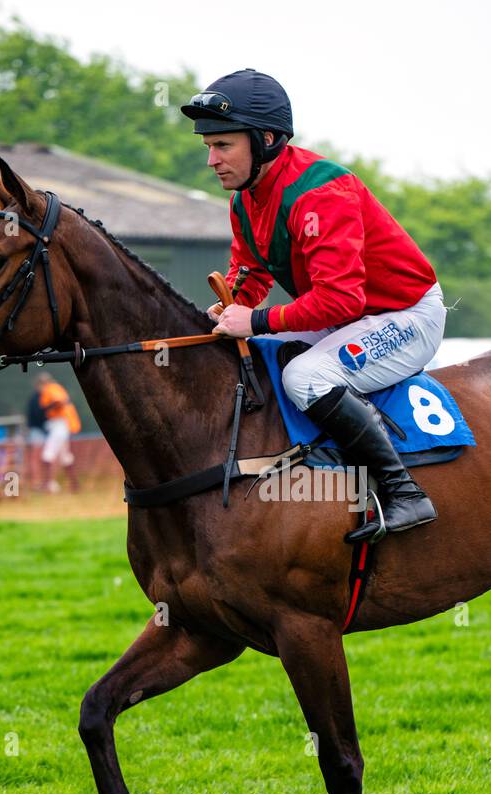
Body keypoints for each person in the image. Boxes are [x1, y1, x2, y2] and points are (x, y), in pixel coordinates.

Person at [184, 69, 443, 543]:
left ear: (265, 140)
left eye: (222, 145)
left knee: (305, 376)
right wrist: (231, 307)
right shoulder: (245, 199)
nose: (210, 160)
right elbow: (250, 272)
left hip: (406, 315)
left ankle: (404, 492)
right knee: (254, 351)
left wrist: (256, 319)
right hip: (350, 318)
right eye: (208, 146)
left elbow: (343, 299)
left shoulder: (322, 193)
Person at [34, 372, 81, 494]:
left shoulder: (51, 388)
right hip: (61, 425)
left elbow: (59, 402)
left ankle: (47, 485)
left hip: (59, 425)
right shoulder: (55, 388)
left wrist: (46, 409)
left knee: (47, 455)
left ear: (42, 383)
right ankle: (74, 485)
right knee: (65, 457)